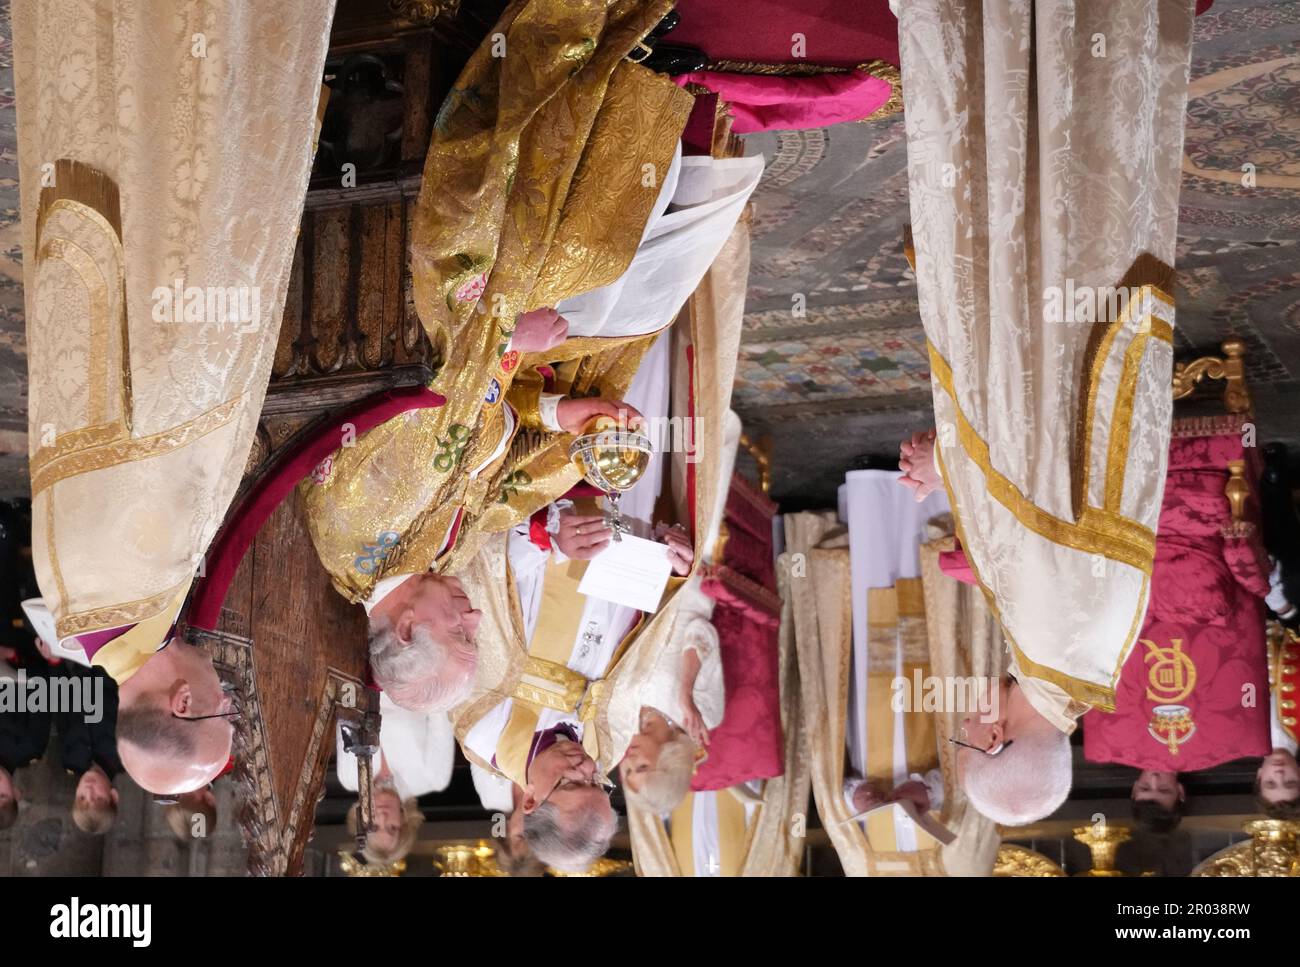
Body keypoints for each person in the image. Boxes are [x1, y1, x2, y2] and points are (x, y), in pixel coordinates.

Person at [300, 0, 704, 711]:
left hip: (412, 318)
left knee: (576, 262)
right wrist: (572, 430)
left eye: (461, 635)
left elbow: (419, 399)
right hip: (484, 353)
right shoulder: (431, 561)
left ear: (408, 625)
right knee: (620, 321)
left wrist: (509, 340)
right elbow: (501, 480)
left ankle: (580, 52)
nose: (477, 618)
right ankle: (626, 81)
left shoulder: (360, 536)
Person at [16, 0, 336, 794]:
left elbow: (186, 378)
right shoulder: (83, 608)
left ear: (184, 701)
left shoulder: (141, 569)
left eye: (223, 709)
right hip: (100, 243)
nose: (230, 694)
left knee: (188, 91)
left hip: (159, 248)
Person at [894, 0, 1198, 824]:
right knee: (1034, 184)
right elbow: (1029, 473)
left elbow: (1033, 503)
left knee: (1084, 169)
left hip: (1079, 349)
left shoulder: (1076, 664)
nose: (958, 722)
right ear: (993, 736)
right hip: (1046, 350)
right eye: (963, 739)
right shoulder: (1055, 642)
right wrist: (947, 464)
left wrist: (956, 481)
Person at [618, 578, 724, 816]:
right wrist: (684, 693)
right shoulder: (702, 716)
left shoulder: (626, 718)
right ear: (668, 765)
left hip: (638, 586)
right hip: (688, 584)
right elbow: (701, 632)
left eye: (628, 771)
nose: (630, 760)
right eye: (642, 767)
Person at [59, 665, 123, 835]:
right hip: (112, 666)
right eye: (98, 798)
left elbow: (63, 712)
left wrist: (56, 664)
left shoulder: (71, 760)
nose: (88, 789)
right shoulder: (125, 756)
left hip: (74, 667)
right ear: (113, 796)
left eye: (81, 798)